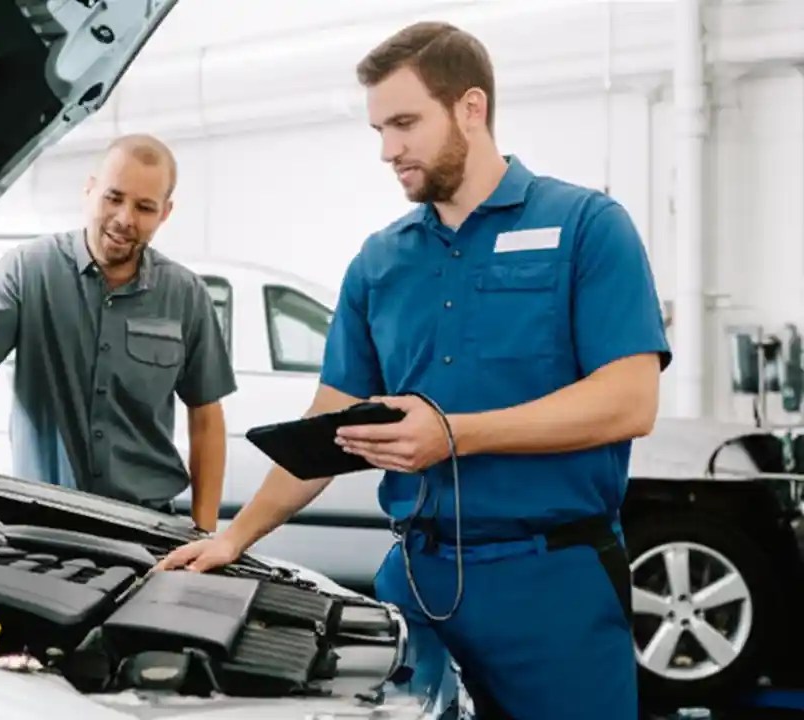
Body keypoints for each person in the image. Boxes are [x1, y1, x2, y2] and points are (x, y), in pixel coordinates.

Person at [155, 21, 669, 720]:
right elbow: (325, 428)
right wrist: (234, 539)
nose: (388, 150)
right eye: (378, 130)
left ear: (471, 108)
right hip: (414, 583)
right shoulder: (379, 262)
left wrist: (453, 433)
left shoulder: (586, 227)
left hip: (553, 583)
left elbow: (628, 401)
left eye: (404, 123)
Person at [0, 133, 236, 532]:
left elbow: (206, 420)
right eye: (114, 198)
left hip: (147, 527)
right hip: (41, 521)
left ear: (165, 213)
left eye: (144, 207)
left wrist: (205, 531)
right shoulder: (27, 271)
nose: (125, 218)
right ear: (89, 190)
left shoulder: (187, 296)